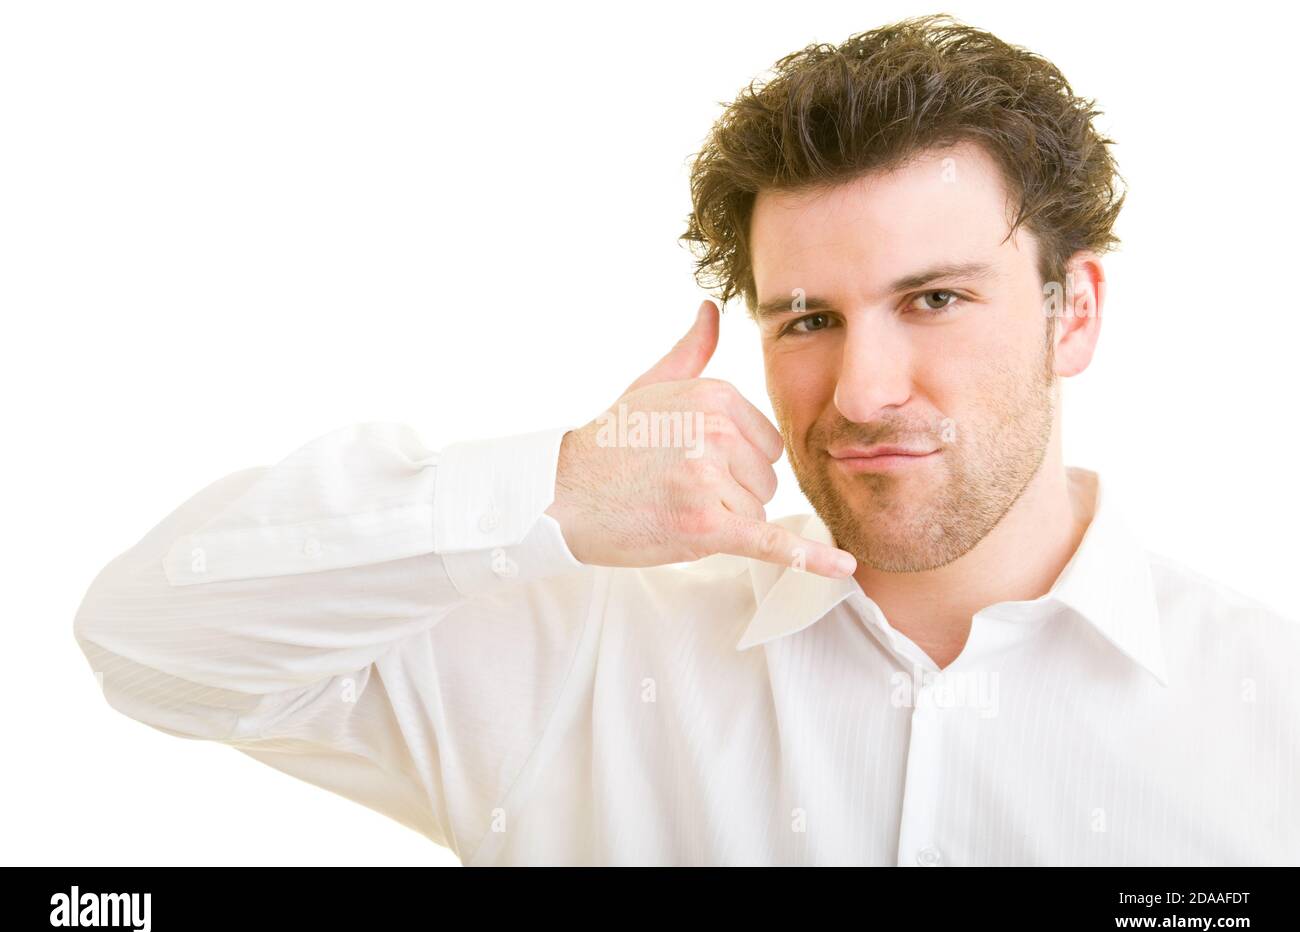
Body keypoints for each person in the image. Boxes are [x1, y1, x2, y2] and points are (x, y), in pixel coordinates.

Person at [73, 13, 1299, 865]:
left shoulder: (1267, 714)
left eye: (935, 298)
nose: (863, 389)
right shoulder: (575, 652)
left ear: (1072, 310)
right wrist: (547, 493)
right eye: (808, 317)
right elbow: (149, 641)